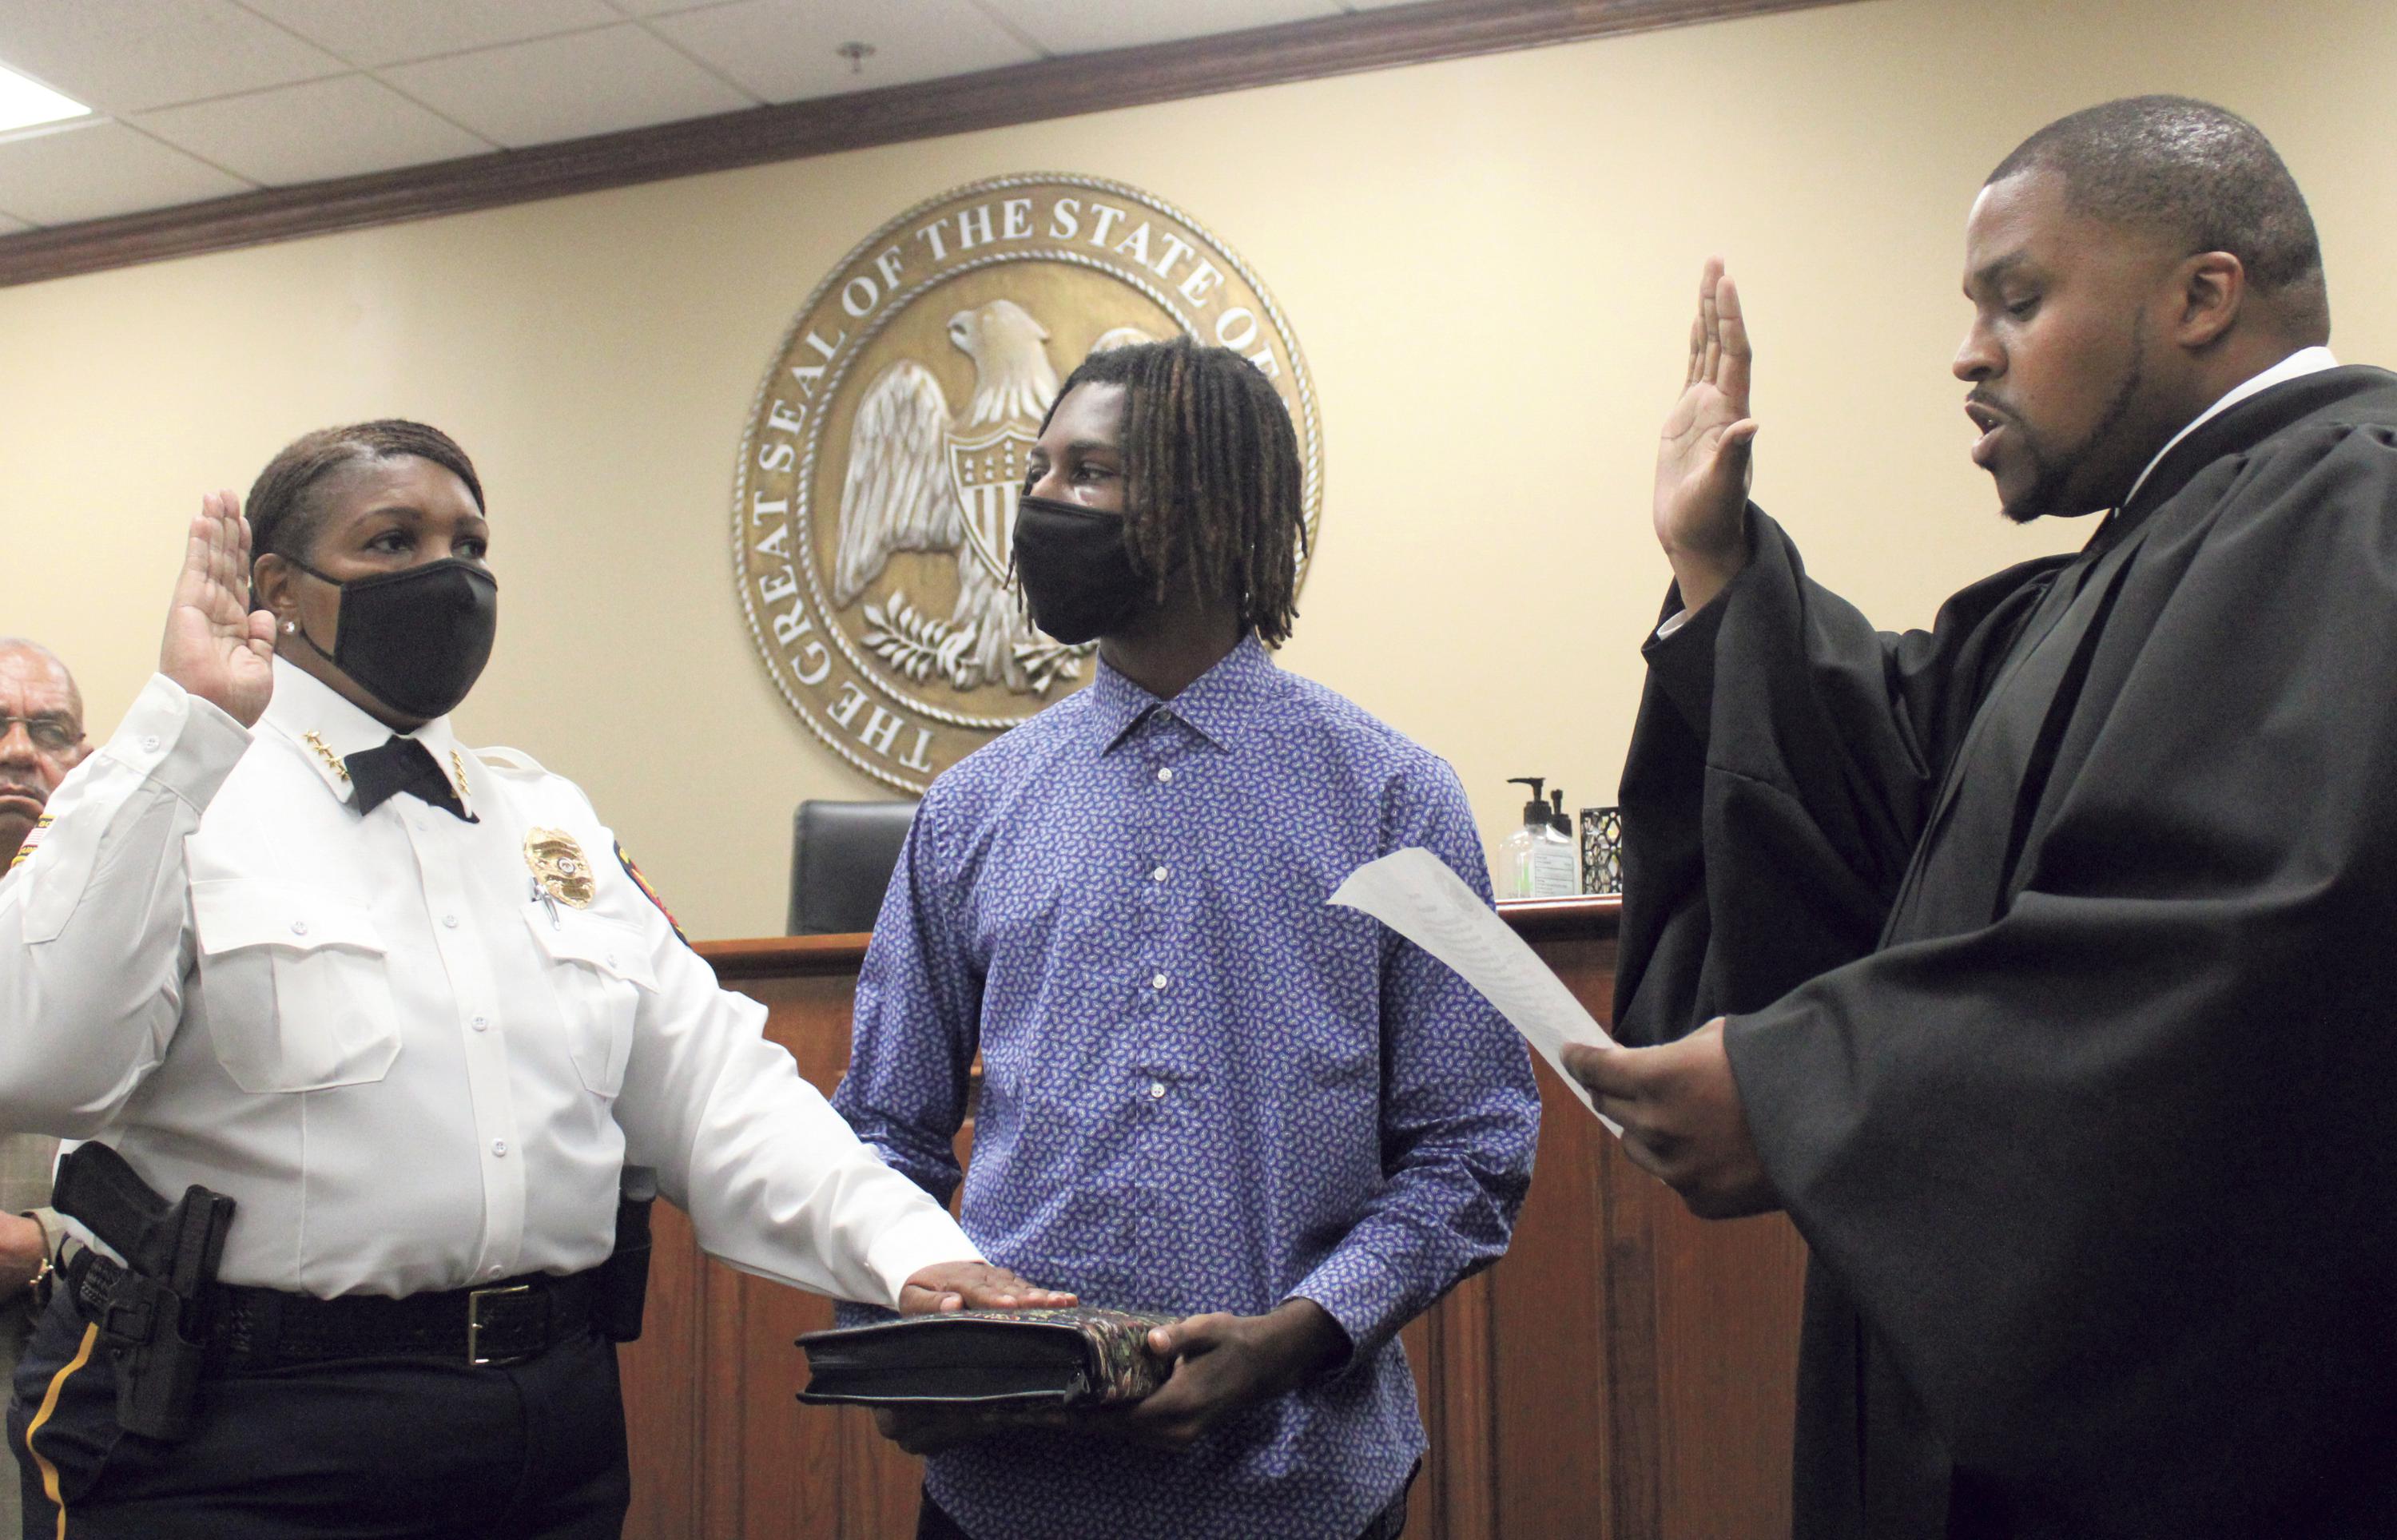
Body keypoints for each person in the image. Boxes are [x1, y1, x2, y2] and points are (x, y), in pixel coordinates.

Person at [1564, 96, 2397, 1538]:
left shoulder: (2350, 514)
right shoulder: (2140, 558)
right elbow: (1892, 780)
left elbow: (2263, 962)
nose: (1970, 351)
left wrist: (1809, 1091)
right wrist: (1718, 566)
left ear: (2203, 296)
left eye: (2017, 300)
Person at [0, 421, 1066, 1538]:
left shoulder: (546, 823)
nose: (448, 576)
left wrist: (914, 1253)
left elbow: (718, 1095)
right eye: (393, 542)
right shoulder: (175, 793)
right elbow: (35, 1061)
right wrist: (190, 724)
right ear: (279, 587)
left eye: (469, 545)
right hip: (235, 1431)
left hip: (543, 1427)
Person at [833, 336, 1540, 1540]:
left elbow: (1471, 1146)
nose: (1041, 501)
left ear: (1209, 505)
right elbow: (884, 1131)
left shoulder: (1393, 800)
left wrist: (1296, 1339)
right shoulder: (970, 810)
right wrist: (899, 1334)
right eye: (1039, 470)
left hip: (1302, 1486)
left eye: (1089, 472)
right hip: (1008, 1491)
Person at [0, 641, 87, 1539]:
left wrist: (42, 1244)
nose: (19, 750)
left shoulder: (140, 930)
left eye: (48, 730)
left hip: (78, 1364)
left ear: (85, 761)